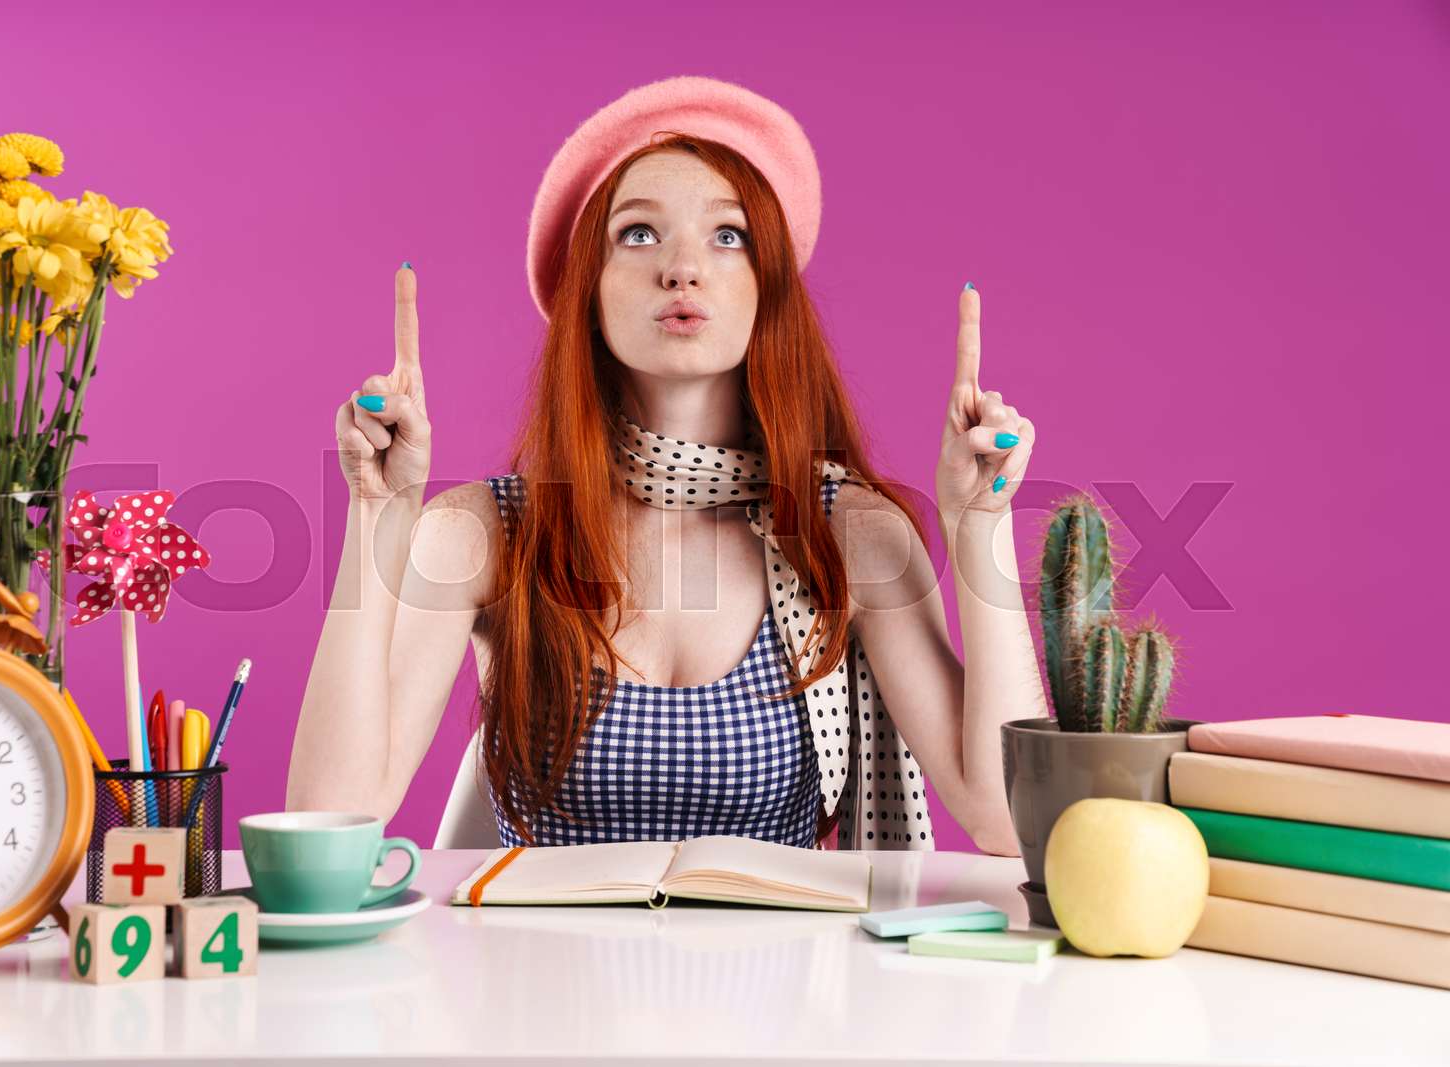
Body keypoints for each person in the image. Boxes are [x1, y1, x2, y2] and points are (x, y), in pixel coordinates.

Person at [286, 76, 1045, 853]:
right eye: (639, 234)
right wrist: (379, 512)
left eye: (728, 236)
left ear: (767, 288)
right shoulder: (486, 532)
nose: (683, 269)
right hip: (527, 974)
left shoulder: (847, 533)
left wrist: (981, 522)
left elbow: (1003, 815)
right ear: (590, 288)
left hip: (788, 973)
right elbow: (327, 819)